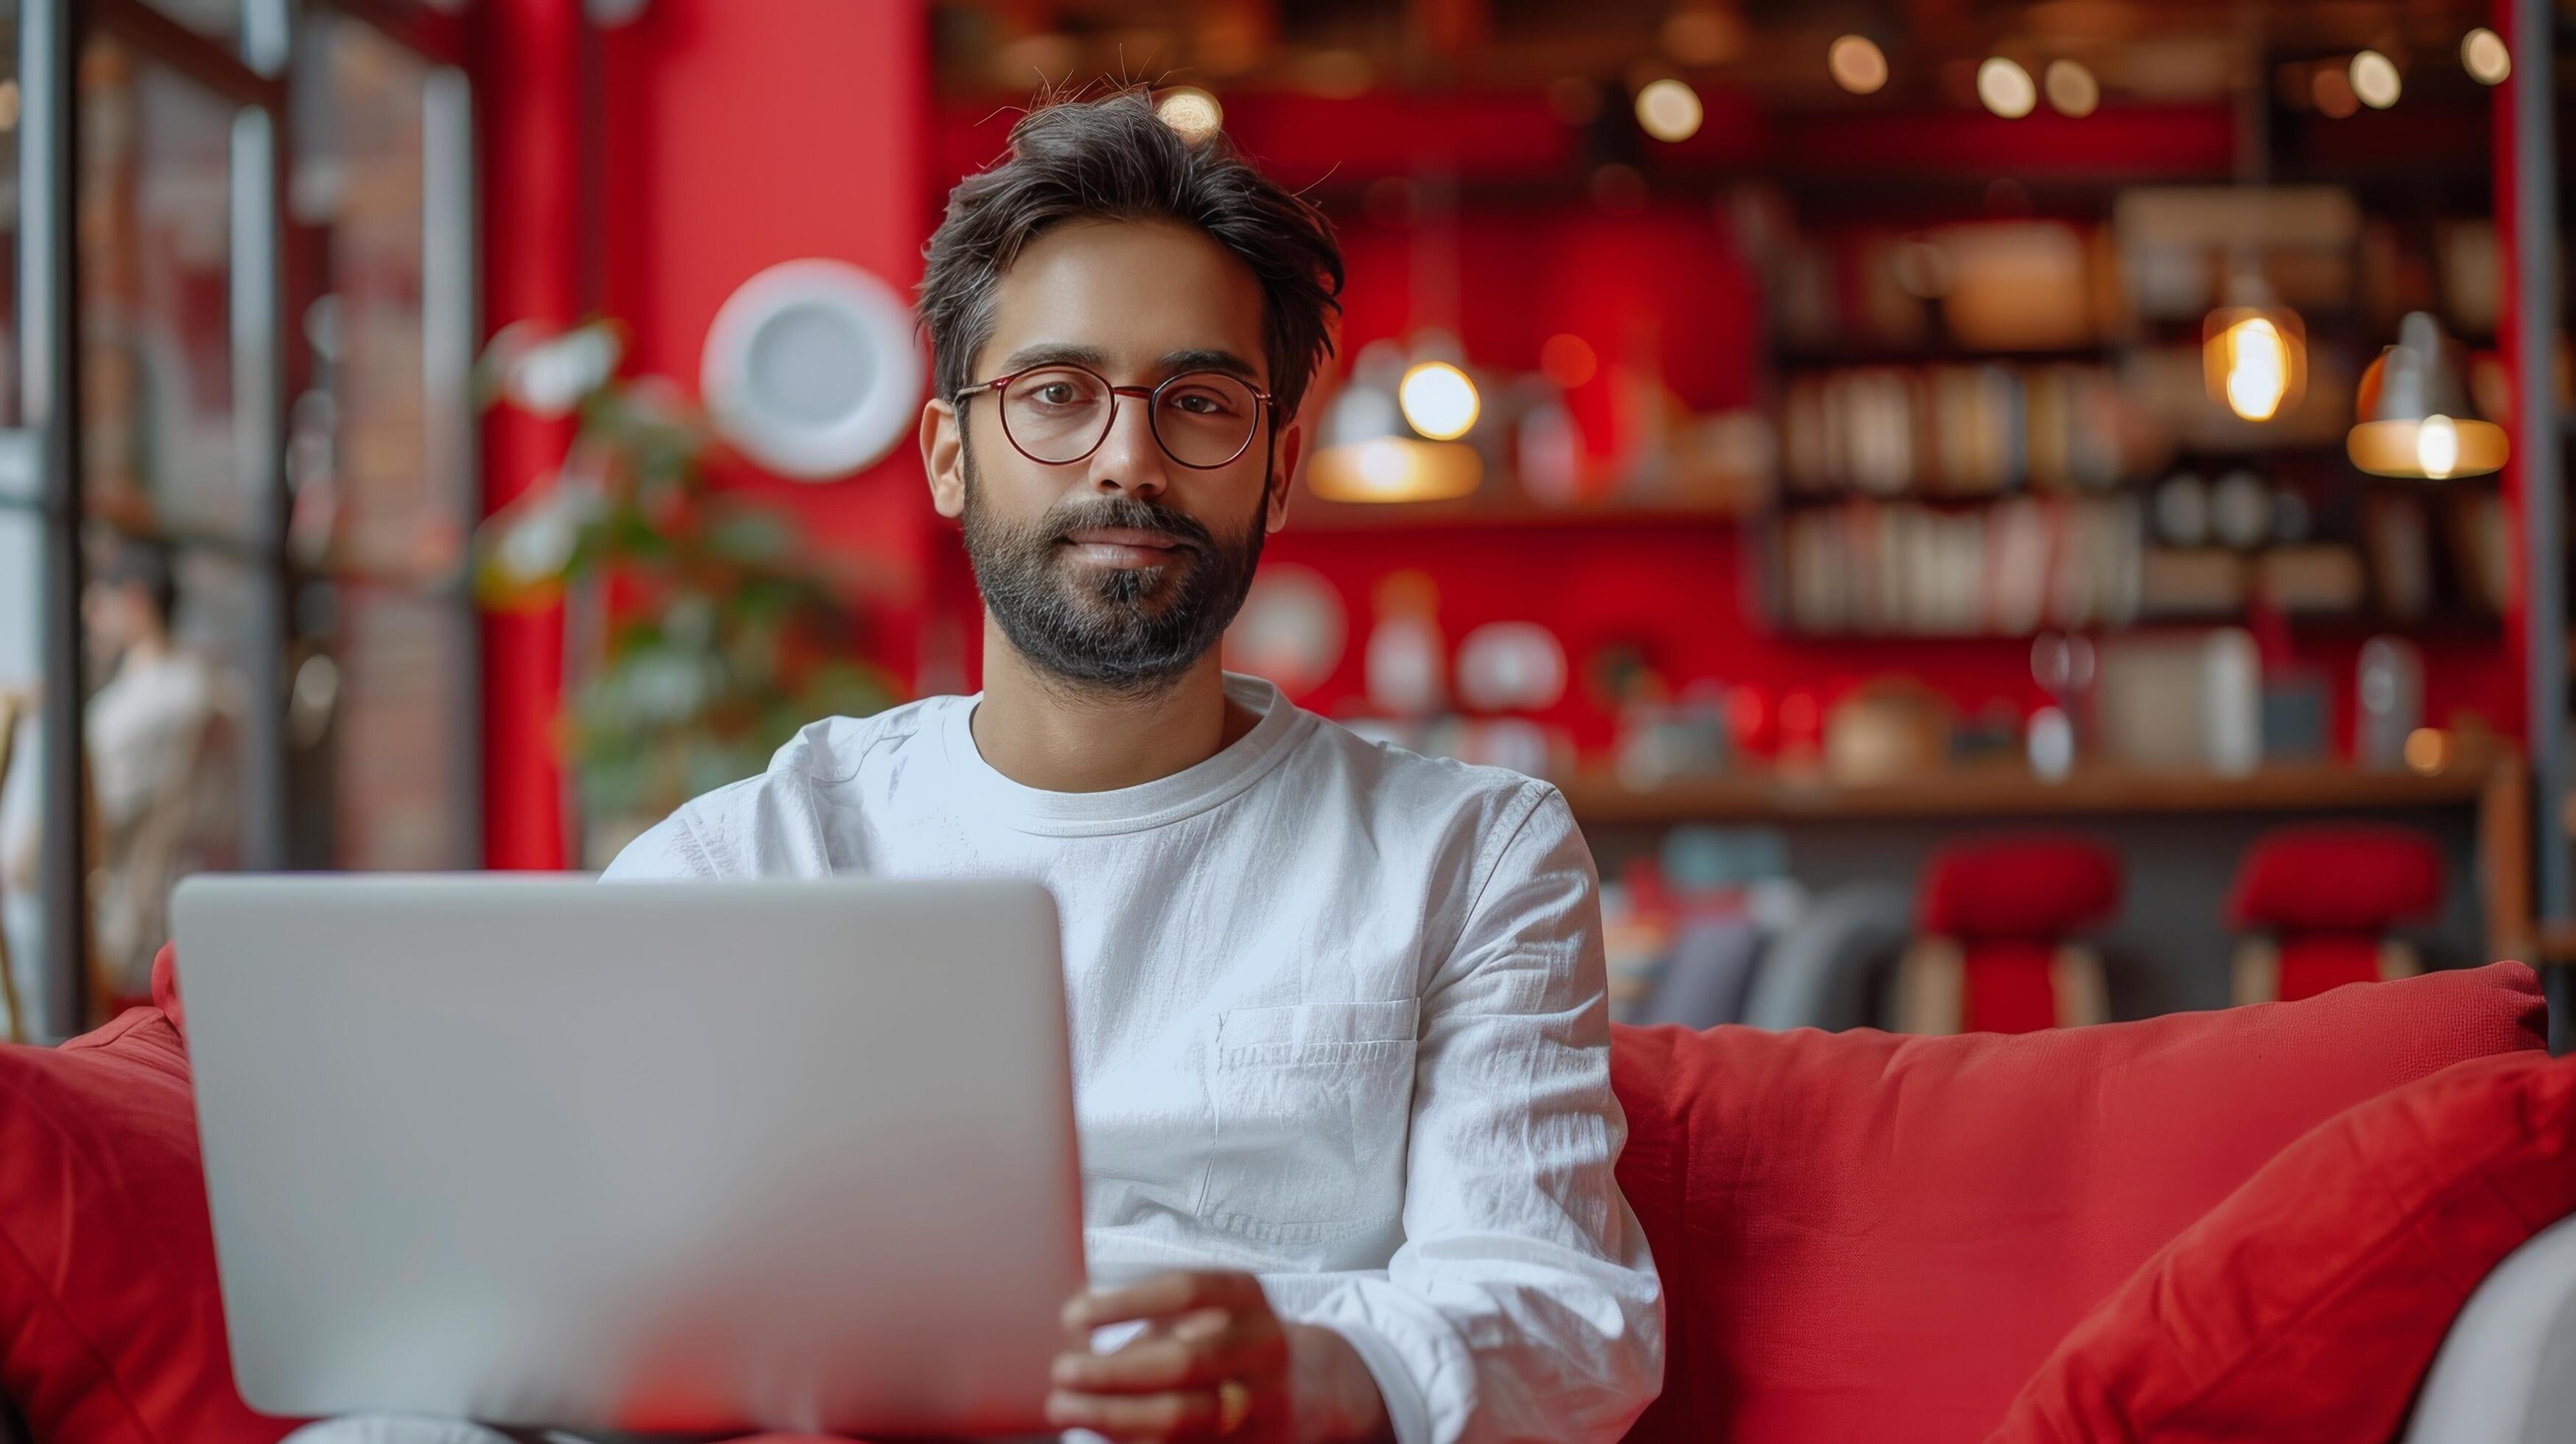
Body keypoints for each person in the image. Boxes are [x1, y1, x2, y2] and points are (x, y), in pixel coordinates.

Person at [597, 88, 1666, 1444]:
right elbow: (580, 1277)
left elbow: (1561, 1305)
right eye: (1055, 394)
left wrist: (1317, 1372)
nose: (1129, 461)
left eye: (1198, 403)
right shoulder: (746, 862)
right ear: (947, 455)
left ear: (1277, 473)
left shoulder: (1469, 852)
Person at [0, 537, 218, 1028]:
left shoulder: (138, 713)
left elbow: (46, 852)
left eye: (98, 602)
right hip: (174, 932)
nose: (88, 616)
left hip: (121, 953)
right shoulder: (206, 692)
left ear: (135, 602)